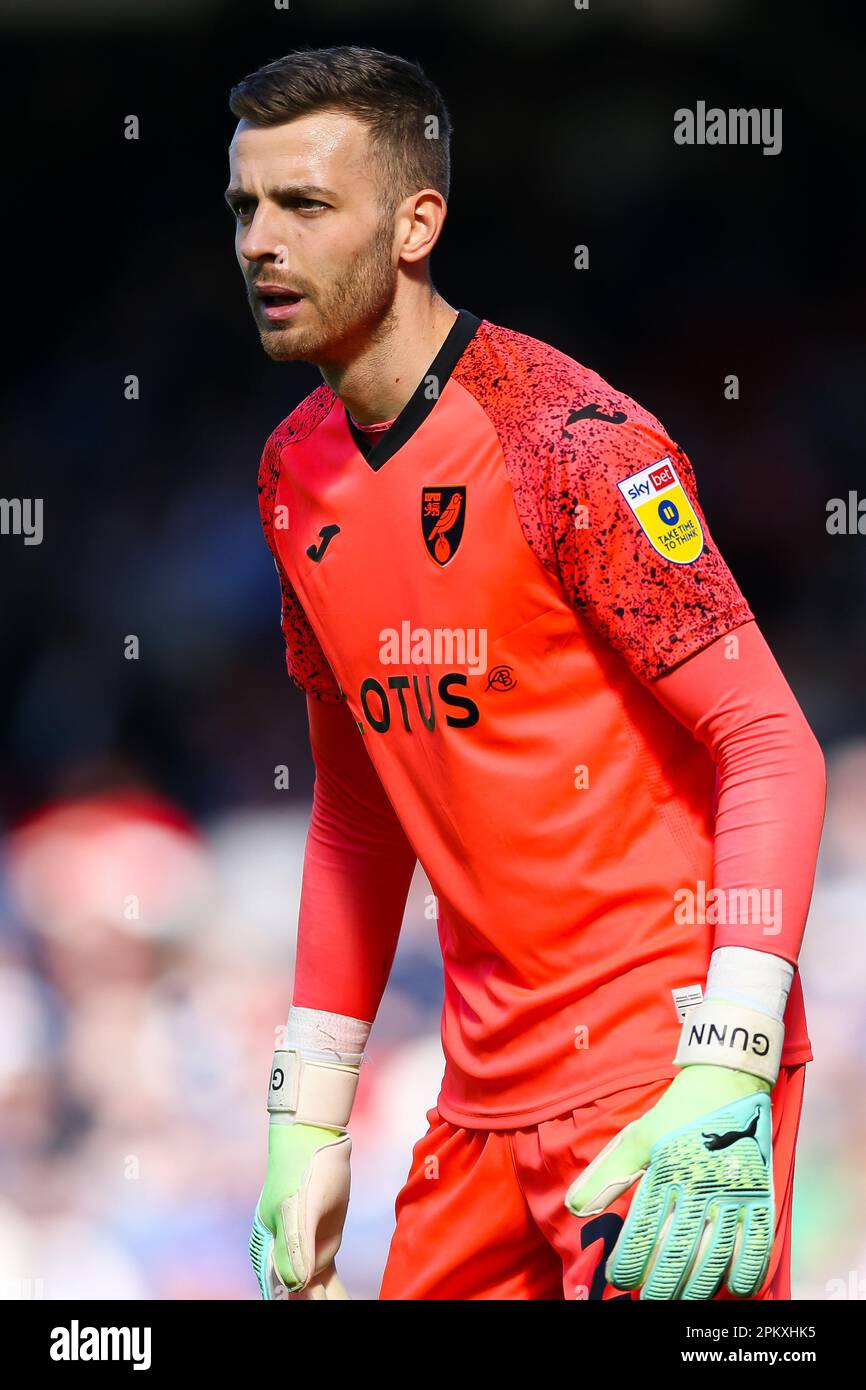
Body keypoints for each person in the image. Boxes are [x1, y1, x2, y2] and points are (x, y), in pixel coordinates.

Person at [225, 45, 826, 1301]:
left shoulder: (568, 441)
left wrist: (728, 1059)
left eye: (305, 205)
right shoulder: (291, 474)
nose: (261, 242)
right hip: (480, 1094)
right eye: (246, 207)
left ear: (414, 224)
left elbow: (768, 739)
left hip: (660, 1074)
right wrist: (309, 1112)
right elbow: (356, 807)